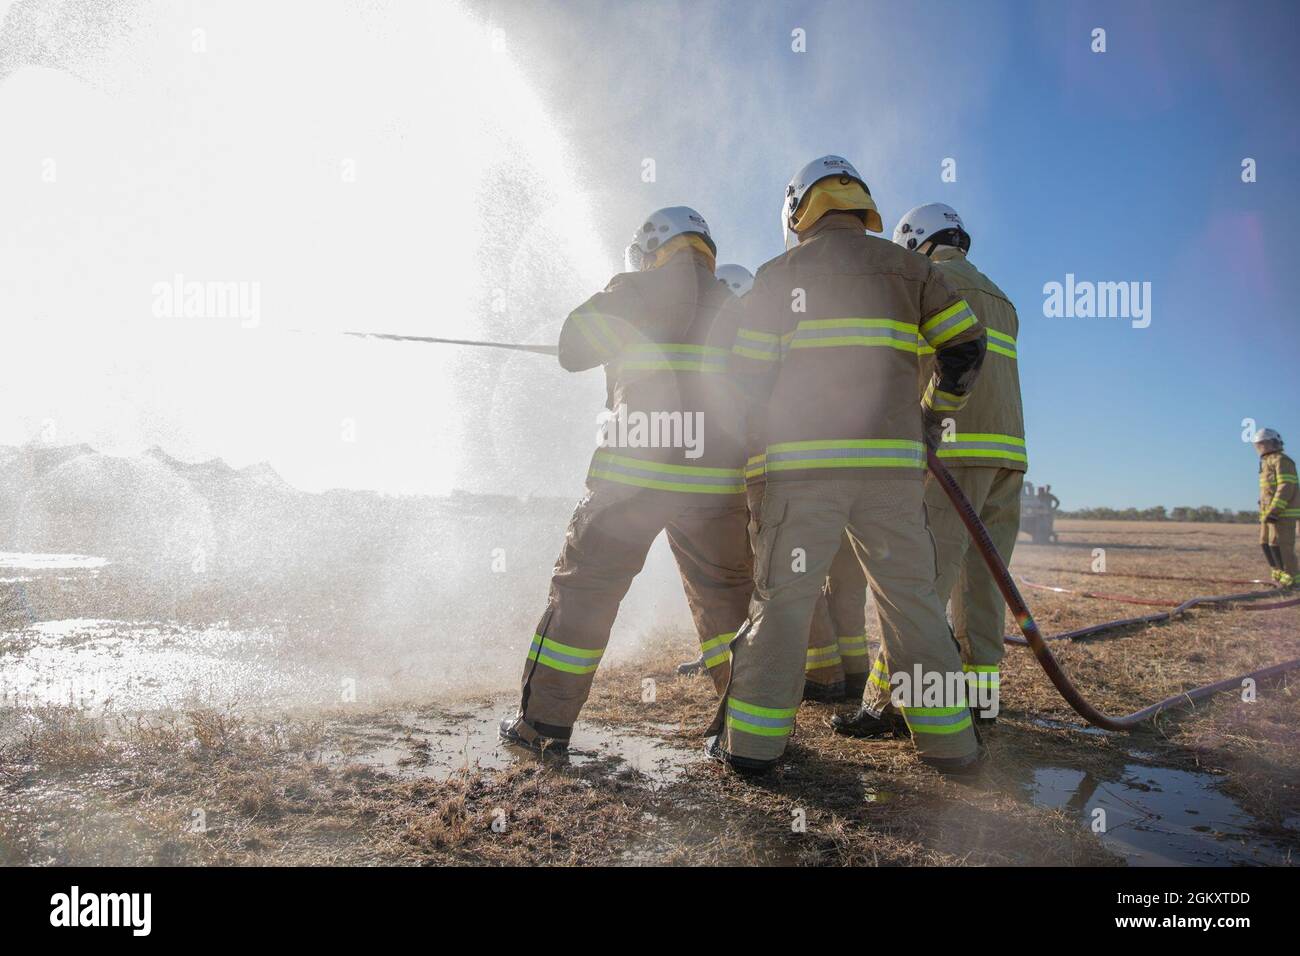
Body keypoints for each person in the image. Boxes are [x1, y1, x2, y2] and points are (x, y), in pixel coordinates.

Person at [706, 155, 987, 775]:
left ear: (799, 209)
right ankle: (951, 747)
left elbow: (747, 379)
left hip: (803, 475)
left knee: (784, 602)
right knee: (913, 604)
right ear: (861, 205)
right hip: (890, 475)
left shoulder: (777, 277)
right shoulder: (911, 269)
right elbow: (965, 347)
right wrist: (932, 415)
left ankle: (751, 750)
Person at [500, 206, 752, 753]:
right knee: (728, 602)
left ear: (653, 247)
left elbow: (572, 348)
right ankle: (748, 734)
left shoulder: (635, 288)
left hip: (635, 478)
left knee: (586, 592)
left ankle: (542, 727)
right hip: (716, 480)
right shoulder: (739, 308)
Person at [841, 203, 1025, 730]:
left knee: (919, 586)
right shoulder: (1002, 296)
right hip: (1008, 457)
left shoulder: (927, 282)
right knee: (984, 584)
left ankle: (888, 704)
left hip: (953, 451)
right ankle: (981, 699)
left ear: (915, 242)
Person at [1254, 428, 1298, 587]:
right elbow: (1268, 490)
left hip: (1282, 512)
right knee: (1265, 543)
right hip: (1268, 512)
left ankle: (1293, 577)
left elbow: (1286, 486)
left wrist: (1275, 510)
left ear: (1271, 443)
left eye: (1261, 444)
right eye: (1257, 444)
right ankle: (1278, 571)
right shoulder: (1266, 462)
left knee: (1282, 544)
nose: (1258, 447)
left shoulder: (1282, 460)